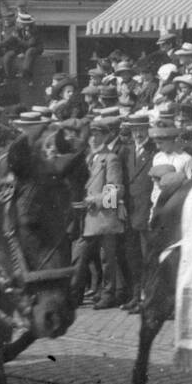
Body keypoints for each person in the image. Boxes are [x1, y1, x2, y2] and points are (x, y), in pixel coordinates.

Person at [72, 112, 128, 309]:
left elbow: (116, 190)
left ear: (105, 137)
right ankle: (76, 294)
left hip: (104, 217)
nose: (93, 139)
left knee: (107, 259)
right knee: (79, 256)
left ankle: (108, 294)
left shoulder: (110, 159)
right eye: (91, 136)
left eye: (97, 135)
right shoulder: (89, 159)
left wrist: (93, 200)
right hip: (87, 218)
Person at [119, 111, 155, 313]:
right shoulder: (126, 151)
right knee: (132, 256)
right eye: (134, 130)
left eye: (141, 129)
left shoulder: (154, 150)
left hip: (146, 211)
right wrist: (116, 206)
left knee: (146, 256)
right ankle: (135, 295)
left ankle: (147, 298)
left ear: (147, 129)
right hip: (128, 212)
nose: (138, 134)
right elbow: (118, 180)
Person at [2, 11, 43, 82]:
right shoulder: (21, 30)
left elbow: (29, 44)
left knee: (30, 51)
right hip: (25, 48)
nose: (20, 24)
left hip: (36, 48)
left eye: (21, 23)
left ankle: (26, 70)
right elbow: (18, 42)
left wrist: (18, 38)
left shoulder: (34, 31)